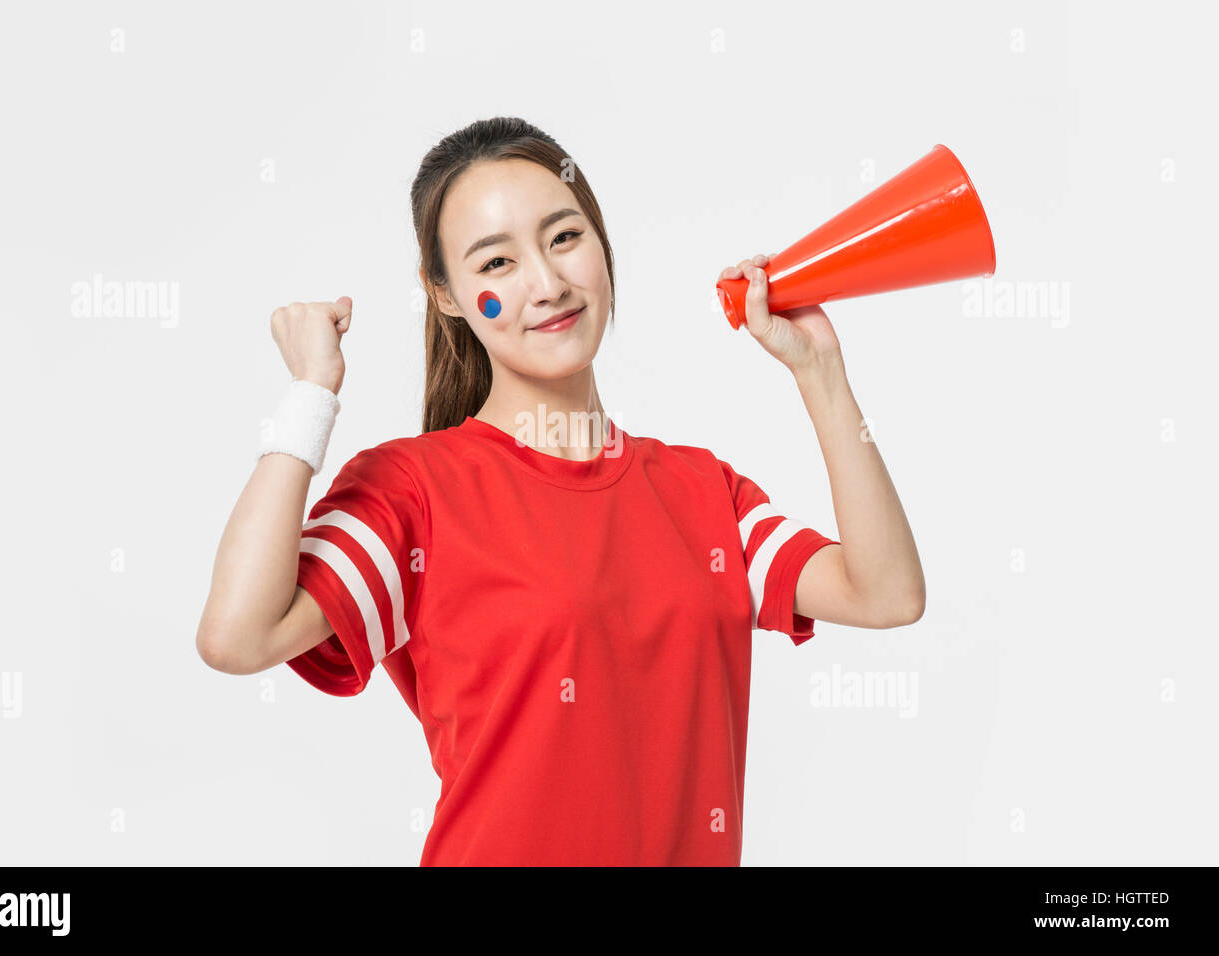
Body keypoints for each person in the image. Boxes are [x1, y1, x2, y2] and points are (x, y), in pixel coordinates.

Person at [195, 116, 925, 866]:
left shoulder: (705, 491)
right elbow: (237, 636)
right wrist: (313, 392)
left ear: (603, 246)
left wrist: (821, 373)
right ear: (444, 296)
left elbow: (886, 594)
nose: (545, 284)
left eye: (565, 238)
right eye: (496, 263)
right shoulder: (412, 493)